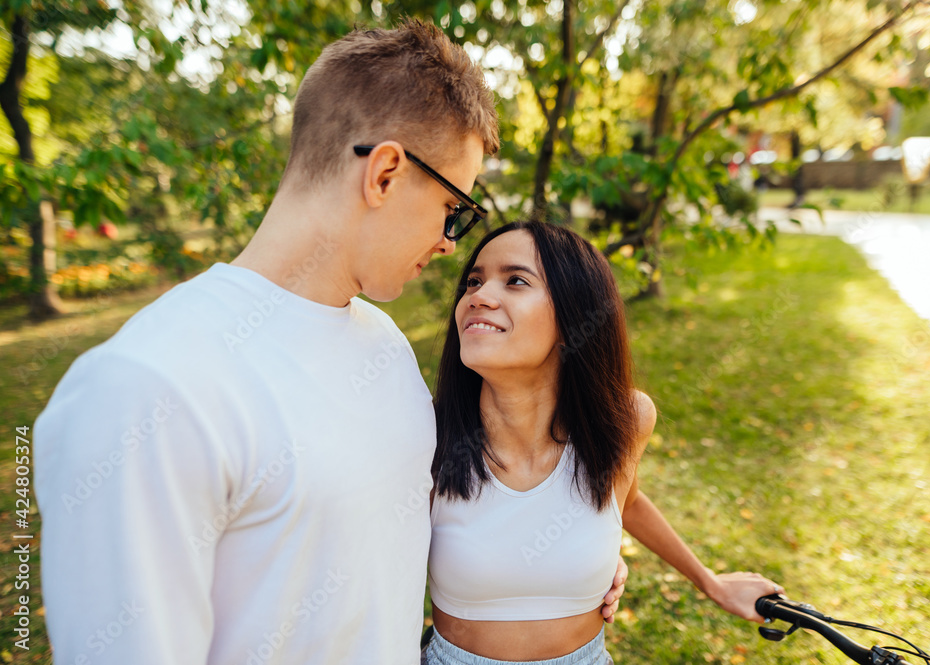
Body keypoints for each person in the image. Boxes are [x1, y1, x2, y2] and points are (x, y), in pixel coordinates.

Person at [33, 21, 626, 665]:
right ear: (386, 174)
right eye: (454, 207)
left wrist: (573, 564)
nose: (449, 241)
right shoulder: (147, 388)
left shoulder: (384, 344)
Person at [424, 221, 784, 664]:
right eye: (474, 281)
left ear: (574, 313)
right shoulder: (426, 435)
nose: (477, 295)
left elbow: (625, 502)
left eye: (515, 280)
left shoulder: (625, 422)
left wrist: (710, 582)